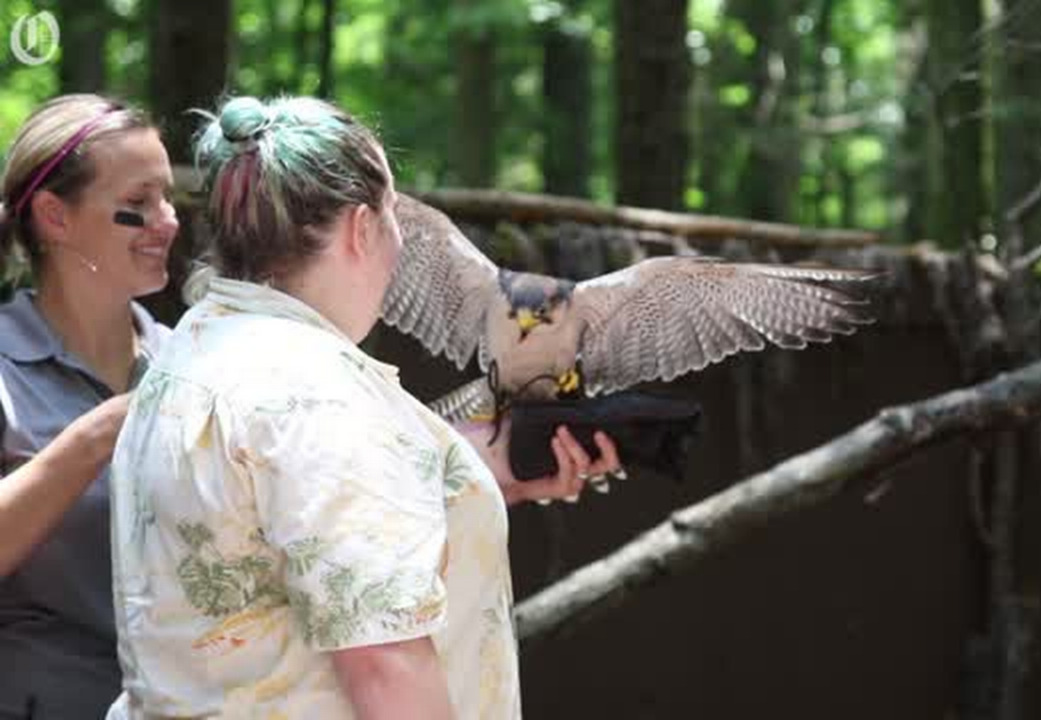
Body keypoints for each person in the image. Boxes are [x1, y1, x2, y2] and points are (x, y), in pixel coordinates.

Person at [108, 95, 613, 718]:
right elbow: (386, 668)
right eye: (394, 214)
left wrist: (476, 473)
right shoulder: (322, 398)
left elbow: (277, 521)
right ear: (361, 226)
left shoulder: (192, 348)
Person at [0, 94, 180, 718]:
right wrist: (99, 435)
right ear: (54, 216)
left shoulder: (191, 358)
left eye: (168, 197)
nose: (169, 221)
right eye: (138, 205)